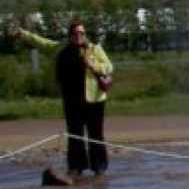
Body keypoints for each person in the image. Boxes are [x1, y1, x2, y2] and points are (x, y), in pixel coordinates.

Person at [11, 19, 114, 176]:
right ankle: (76, 167)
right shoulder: (60, 48)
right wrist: (22, 33)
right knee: (74, 134)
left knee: (96, 134)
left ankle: (98, 167)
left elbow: (109, 66)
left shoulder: (94, 49)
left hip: (94, 99)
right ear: (70, 35)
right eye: (75, 33)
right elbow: (41, 43)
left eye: (82, 33)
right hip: (72, 99)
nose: (79, 36)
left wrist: (94, 66)